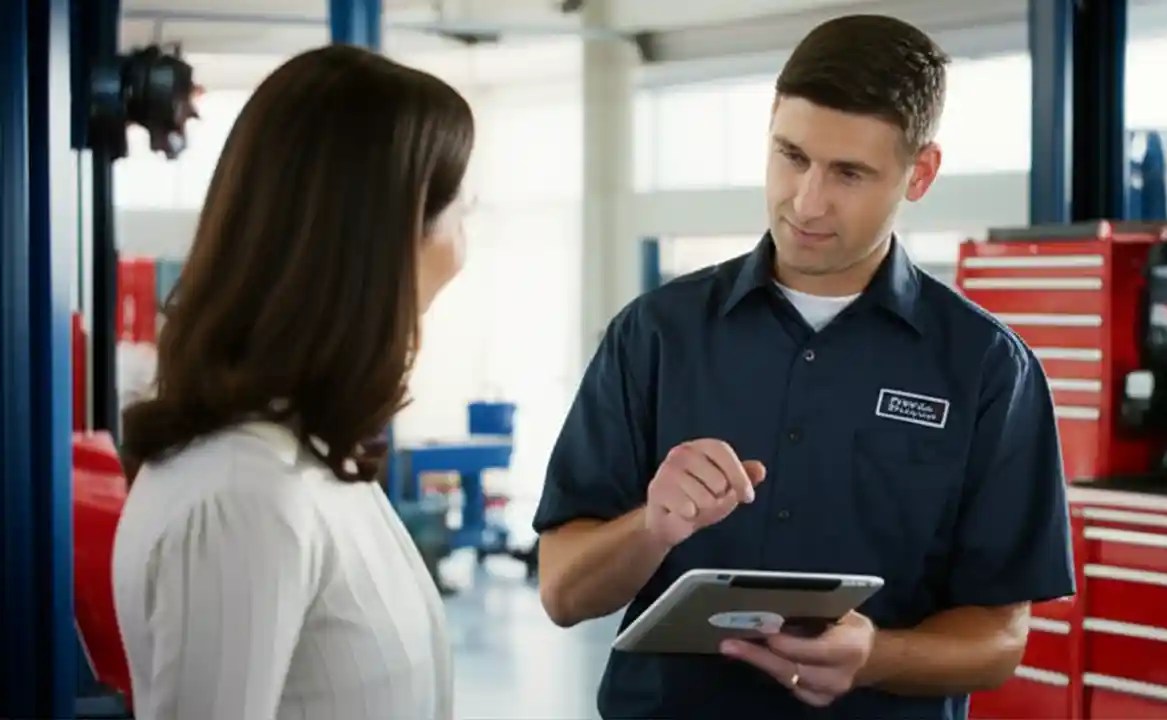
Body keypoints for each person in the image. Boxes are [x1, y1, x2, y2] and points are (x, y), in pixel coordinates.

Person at [533, 14, 1074, 719]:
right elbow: (563, 594)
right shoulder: (656, 336)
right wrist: (653, 527)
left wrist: (874, 658)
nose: (808, 202)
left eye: (849, 173)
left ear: (922, 173)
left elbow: (1000, 638)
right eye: (792, 156)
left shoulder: (988, 371)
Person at [111, 44, 473, 720]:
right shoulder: (244, 494)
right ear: (384, 240)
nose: (463, 246)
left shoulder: (307, 461)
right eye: (459, 208)